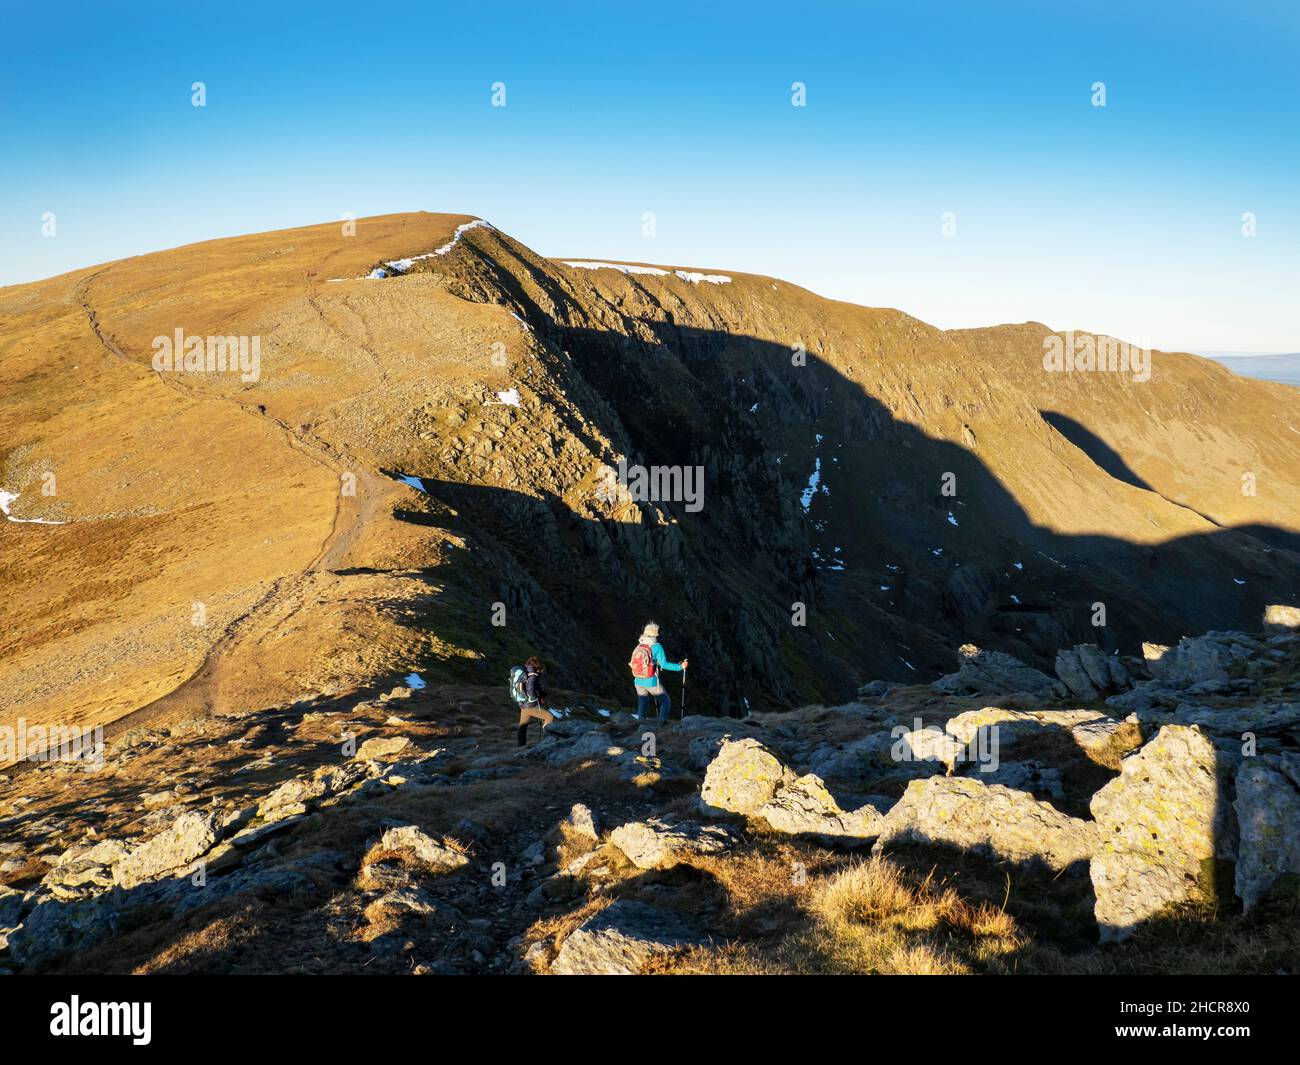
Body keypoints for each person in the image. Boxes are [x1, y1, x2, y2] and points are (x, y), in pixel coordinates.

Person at [629, 621, 687, 723]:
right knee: (665, 701)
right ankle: (661, 724)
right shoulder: (656, 646)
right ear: (655, 634)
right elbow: (664, 664)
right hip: (650, 680)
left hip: (638, 680)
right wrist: (680, 667)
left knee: (643, 701)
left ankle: (640, 723)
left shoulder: (640, 644)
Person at [517, 656, 554, 747]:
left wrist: (541, 693)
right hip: (530, 705)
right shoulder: (533, 675)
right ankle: (546, 741)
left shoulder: (526, 673)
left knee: (523, 726)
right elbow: (530, 688)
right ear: (537, 665)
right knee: (549, 717)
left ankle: (520, 746)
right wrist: (535, 697)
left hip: (523, 705)